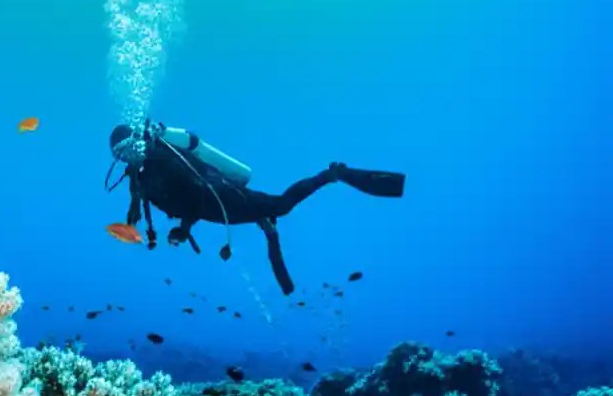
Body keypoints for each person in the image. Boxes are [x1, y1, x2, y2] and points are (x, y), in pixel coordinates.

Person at [106, 120, 405, 295]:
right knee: (268, 211)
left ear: (139, 142)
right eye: (120, 154)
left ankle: (333, 175)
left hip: (222, 198)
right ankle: (268, 226)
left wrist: (183, 229)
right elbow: (152, 202)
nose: (127, 156)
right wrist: (146, 222)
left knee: (282, 204)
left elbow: (192, 195)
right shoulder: (139, 176)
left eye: (129, 148)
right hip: (216, 212)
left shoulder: (163, 161)